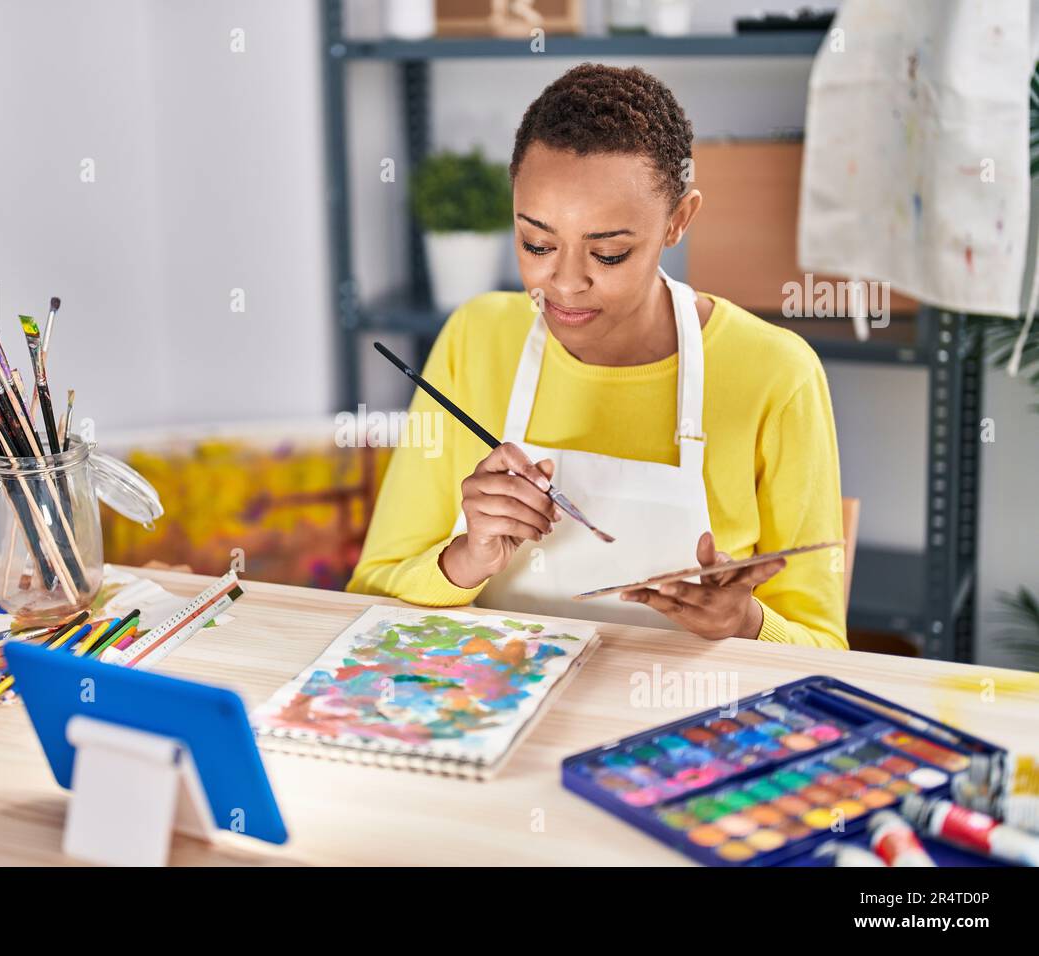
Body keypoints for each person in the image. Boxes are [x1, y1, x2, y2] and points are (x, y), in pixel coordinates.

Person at [348, 64, 845, 649]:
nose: (563, 283)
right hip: (496, 710)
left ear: (678, 221)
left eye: (607, 254)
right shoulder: (475, 338)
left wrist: (744, 622)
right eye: (536, 243)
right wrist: (465, 559)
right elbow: (368, 596)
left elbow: (824, 651)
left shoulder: (776, 374)